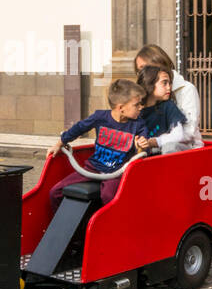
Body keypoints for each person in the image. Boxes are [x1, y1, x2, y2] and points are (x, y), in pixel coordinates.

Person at [47, 78, 147, 208]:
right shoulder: (100, 117)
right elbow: (79, 128)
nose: (141, 107)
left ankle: (104, 226)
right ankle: (65, 226)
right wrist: (59, 143)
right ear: (121, 108)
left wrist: (140, 148)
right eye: (137, 104)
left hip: (117, 173)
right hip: (93, 168)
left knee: (108, 197)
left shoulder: (139, 125)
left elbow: (143, 151)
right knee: (55, 192)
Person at [133, 44, 203, 150]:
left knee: (169, 147)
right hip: (154, 148)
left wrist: (156, 141)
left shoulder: (186, 89)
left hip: (186, 149)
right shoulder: (145, 95)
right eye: (140, 70)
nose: (143, 73)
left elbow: (189, 132)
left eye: (147, 68)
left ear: (160, 63)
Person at [135, 64, 190, 153]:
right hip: (146, 155)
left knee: (170, 146)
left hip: (167, 154)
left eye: (169, 83)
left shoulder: (168, 106)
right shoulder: (135, 109)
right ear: (150, 83)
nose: (169, 87)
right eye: (164, 83)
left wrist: (156, 141)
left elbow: (178, 135)